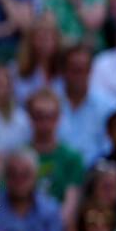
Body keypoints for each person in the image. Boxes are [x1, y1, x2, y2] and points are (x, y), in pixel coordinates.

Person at [25, 88, 83, 223]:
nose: (45, 123)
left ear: (59, 118)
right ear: (30, 117)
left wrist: (54, 228)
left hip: (58, 225)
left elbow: (71, 204)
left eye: (50, 116)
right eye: (39, 116)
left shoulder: (72, 158)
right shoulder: (17, 157)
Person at [56, 43, 116, 165]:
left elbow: (110, 148)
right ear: (63, 71)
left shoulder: (109, 106)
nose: (79, 75)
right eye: (74, 69)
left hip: (96, 173)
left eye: (84, 69)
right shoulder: (50, 103)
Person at [11, 13, 61, 105]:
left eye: (49, 38)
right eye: (41, 38)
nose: (45, 43)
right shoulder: (16, 70)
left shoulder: (64, 68)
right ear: (30, 41)